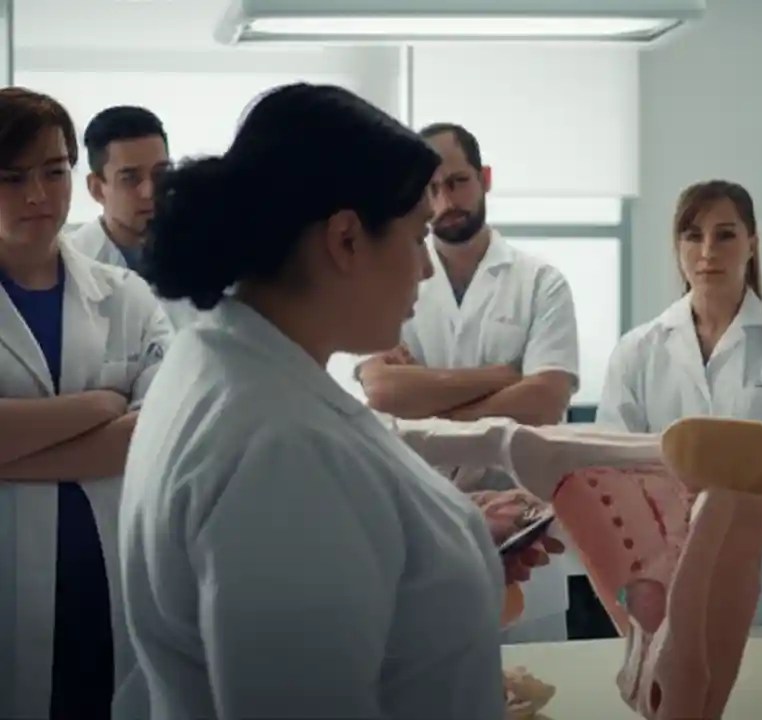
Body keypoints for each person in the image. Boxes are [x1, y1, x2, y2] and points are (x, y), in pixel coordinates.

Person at [115, 83, 552, 720]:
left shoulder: (219, 355)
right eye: (416, 235)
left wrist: (442, 535)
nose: (425, 270)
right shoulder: (281, 449)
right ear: (346, 239)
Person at [357, 122, 578, 644]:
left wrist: (430, 412)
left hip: (528, 527)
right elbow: (383, 392)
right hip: (424, 527)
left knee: (539, 693)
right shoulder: (391, 276)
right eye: (430, 190)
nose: (444, 201)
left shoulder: (540, 282)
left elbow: (545, 401)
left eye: (457, 182)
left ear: (485, 179)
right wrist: (502, 379)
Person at [0, 87, 172, 720]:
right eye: (11, 177)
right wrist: (98, 404)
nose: (38, 195)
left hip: (107, 587)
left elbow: (150, 435)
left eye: (53, 171)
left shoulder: (126, 297)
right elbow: (120, 428)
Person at [596, 180, 762, 626]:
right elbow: (616, 464)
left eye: (725, 234)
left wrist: (745, 539)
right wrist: (676, 540)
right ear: (677, 246)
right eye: (692, 235)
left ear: (752, 244)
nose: (708, 250)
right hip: (667, 572)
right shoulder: (639, 350)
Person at [65, 106, 196, 330]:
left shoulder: (199, 257)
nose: (149, 191)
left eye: (160, 174)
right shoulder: (69, 265)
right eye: (130, 178)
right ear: (97, 189)